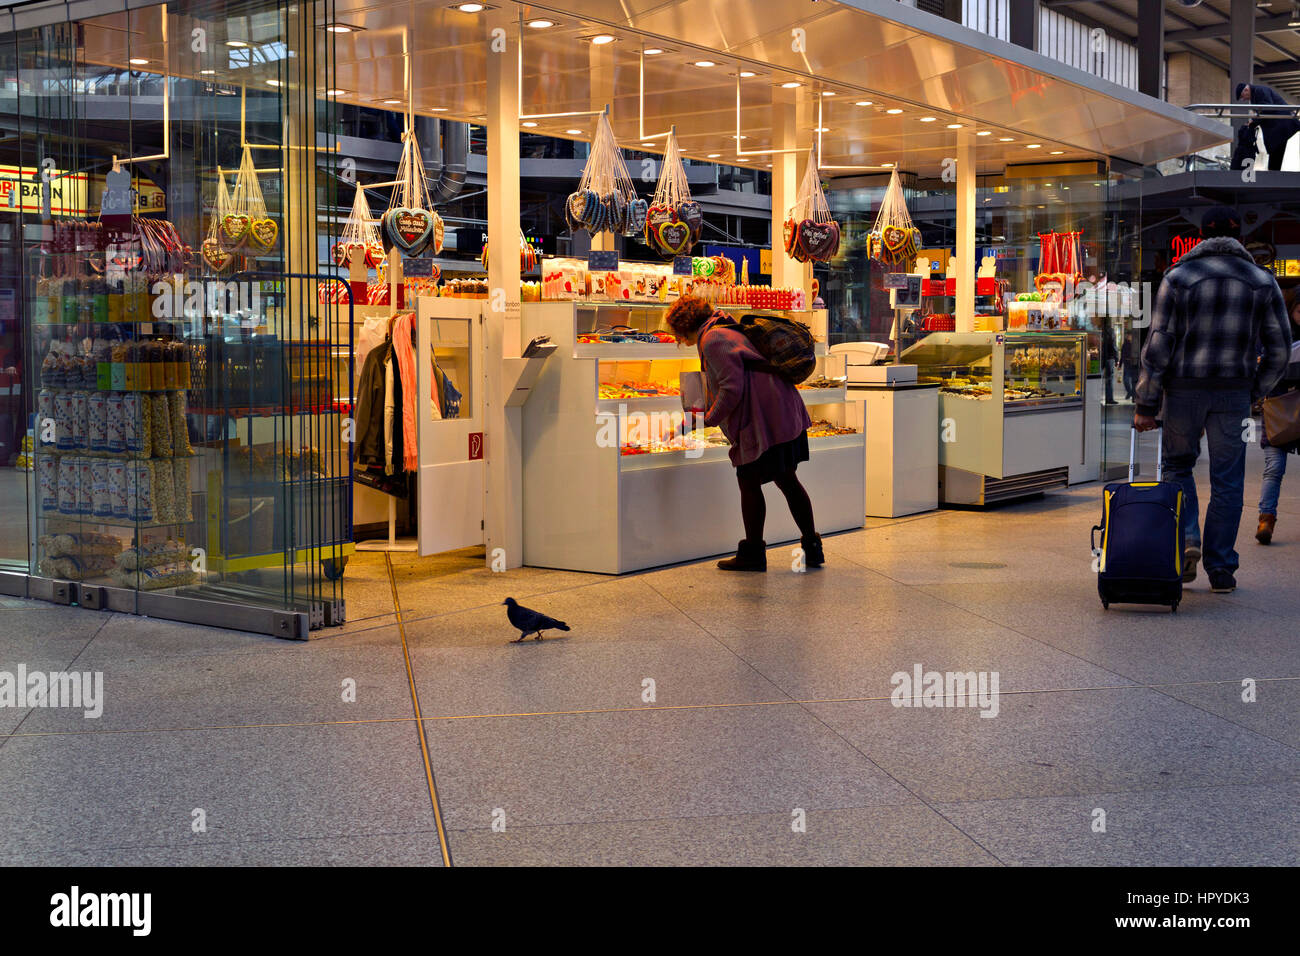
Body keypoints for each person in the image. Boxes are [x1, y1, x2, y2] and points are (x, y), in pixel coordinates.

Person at [1134, 205, 1293, 593]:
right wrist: (1255, 389)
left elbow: (1159, 345)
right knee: (1228, 479)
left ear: (1202, 236)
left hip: (1183, 392)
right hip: (1233, 396)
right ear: (1239, 238)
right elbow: (1280, 348)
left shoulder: (1179, 277)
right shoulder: (1261, 280)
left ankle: (1188, 539)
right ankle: (1221, 568)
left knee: (1176, 466)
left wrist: (1146, 403)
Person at [665, 295, 821, 572]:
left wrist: (706, 419)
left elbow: (731, 389)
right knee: (786, 479)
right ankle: (812, 548)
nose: (677, 339)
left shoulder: (713, 340)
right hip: (779, 410)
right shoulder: (725, 326)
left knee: (749, 481)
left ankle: (753, 554)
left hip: (766, 418)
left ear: (683, 326)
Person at [1256, 287, 1300, 544]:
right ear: (1291, 310)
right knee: (1274, 467)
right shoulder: (1277, 336)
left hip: (1286, 406)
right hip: (1279, 409)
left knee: (1274, 467)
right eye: (1299, 310)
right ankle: (1266, 519)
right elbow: (1262, 372)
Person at [1236, 82, 1300, 172]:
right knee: (1276, 152)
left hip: (1280, 127)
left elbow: (1268, 108)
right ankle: (1274, 174)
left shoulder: (1260, 91)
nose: (1244, 99)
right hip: (1279, 127)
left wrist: (1254, 122)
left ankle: (1273, 175)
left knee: (1276, 152)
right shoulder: (1257, 93)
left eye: (1243, 97)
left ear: (1246, 90)